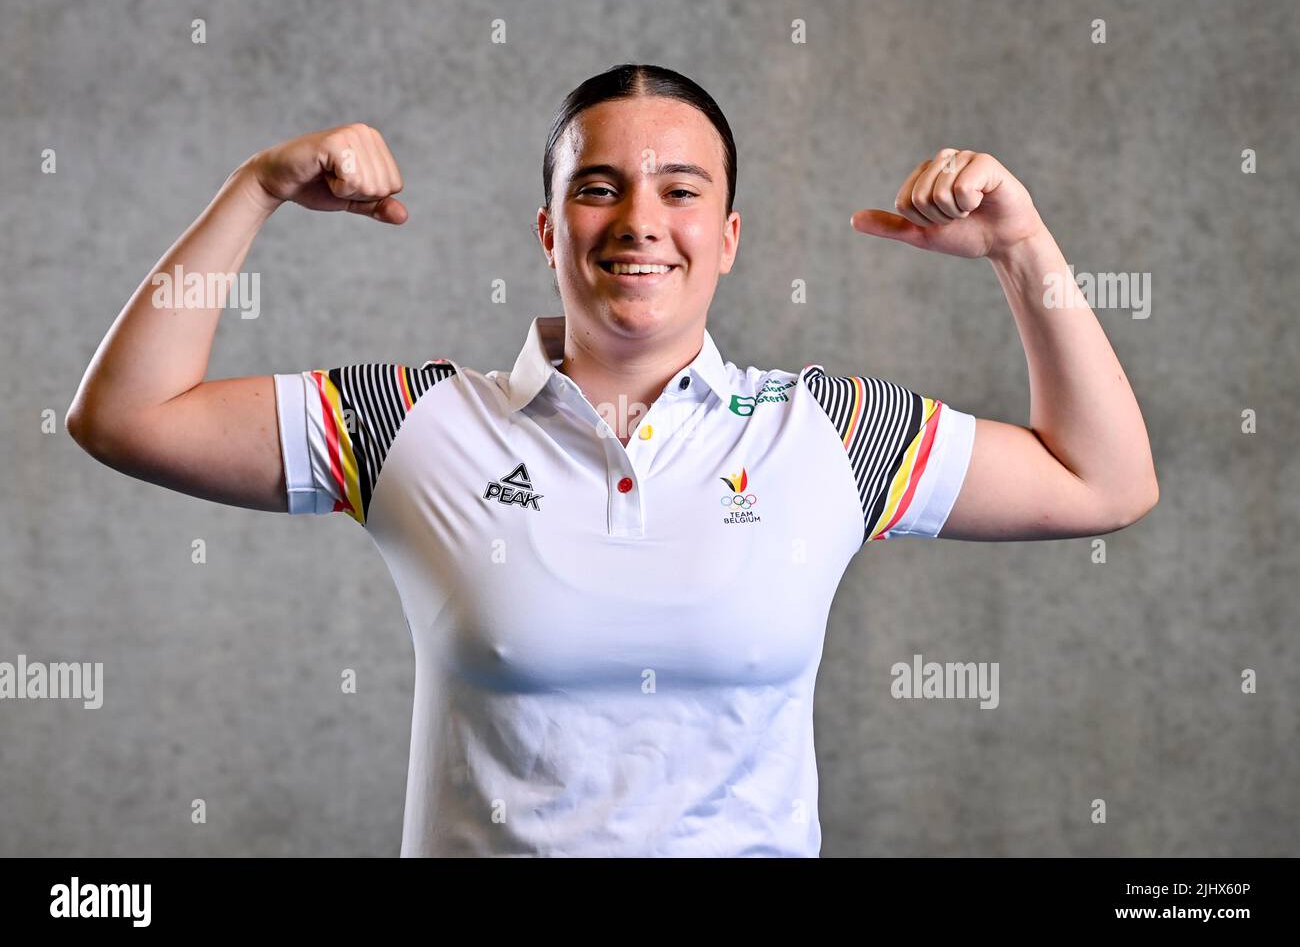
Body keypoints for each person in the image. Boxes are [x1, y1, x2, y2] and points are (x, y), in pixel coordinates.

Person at [66, 63, 1158, 856]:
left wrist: (1020, 248)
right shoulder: (411, 421)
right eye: (597, 187)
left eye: (681, 189)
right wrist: (254, 189)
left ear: (728, 236)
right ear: (546, 229)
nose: (640, 221)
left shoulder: (825, 430)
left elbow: (1102, 481)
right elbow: (128, 415)